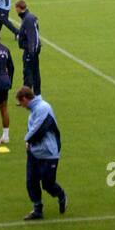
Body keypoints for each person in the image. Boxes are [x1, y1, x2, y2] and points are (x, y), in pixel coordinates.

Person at [19, 86, 67, 220]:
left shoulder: (43, 108)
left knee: (48, 184)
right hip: (34, 153)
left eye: (21, 103)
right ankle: (37, 209)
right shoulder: (34, 110)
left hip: (48, 153)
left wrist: (27, 140)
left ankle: (61, 195)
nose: (22, 106)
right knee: (31, 182)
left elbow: (38, 130)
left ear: (25, 99)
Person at [16, 0, 42, 93]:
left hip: (30, 51)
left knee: (29, 73)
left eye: (16, 9)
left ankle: (26, 96)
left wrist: (31, 52)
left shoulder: (28, 19)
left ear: (19, 8)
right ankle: (35, 94)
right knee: (33, 72)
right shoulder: (27, 17)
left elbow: (32, 37)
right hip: (30, 50)